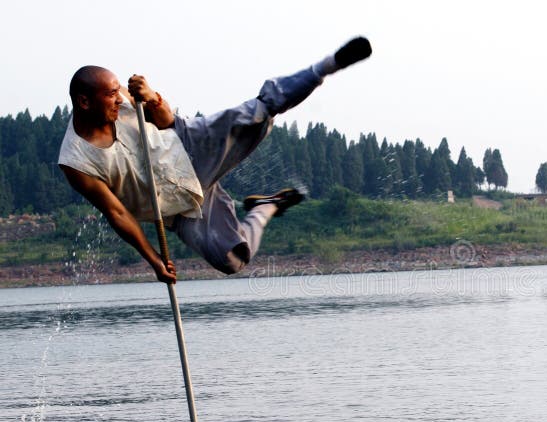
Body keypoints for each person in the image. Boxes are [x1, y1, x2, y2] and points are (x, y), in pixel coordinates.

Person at [59, 37, 372, 283]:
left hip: (188, 148)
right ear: (84, 102)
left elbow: (166, 120)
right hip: (178, 206)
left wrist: (152, 97)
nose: (119, 98)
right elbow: (117, 213)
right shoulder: (76, 161)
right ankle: (265, 207)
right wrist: (154, 260)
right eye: (110, 95)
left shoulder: (124, 101)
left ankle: (328, 65)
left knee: (260, 111)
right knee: (232, 259)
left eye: (118, 91)